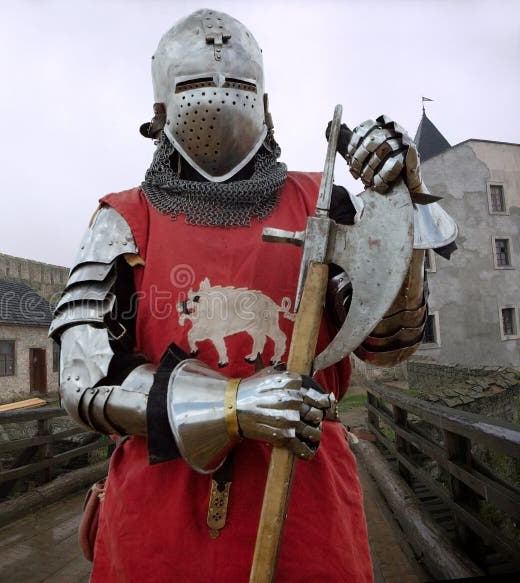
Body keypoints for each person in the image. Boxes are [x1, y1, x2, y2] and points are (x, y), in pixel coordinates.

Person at [49, 9, 454, 582]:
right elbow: (84, 383)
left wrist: (397, 210)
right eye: (193, 85)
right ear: (160, 111)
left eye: (237, 86)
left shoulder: (322, 203)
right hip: (161, 509)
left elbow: (390, 344)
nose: (217, 100)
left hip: (305, 498)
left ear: (265, 103)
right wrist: (236, 408)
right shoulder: (123, 220)